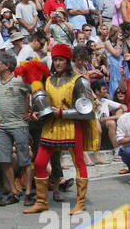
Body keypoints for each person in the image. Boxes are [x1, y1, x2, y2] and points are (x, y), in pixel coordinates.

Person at [23, 44, 99, 216]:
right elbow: (44, 105)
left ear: (67, 61)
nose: (57, 63)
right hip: (50, 126)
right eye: (55, 60)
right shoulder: (47, 80)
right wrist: (38, 113)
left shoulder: (79, 81)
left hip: (72, 126)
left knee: (79, 162)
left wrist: (62, 112)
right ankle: (41, 201)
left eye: (61, 60)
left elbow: (86, 110)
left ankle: (80, 202)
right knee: (40, 162)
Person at [0, 49, 34, 204]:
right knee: (4, 159)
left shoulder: (20, 80)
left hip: (19, 124)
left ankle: (28, 192)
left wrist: (30, 111)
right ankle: (13, 191)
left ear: (7, 66)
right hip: (3, 126)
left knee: (24, 159)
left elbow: (33, 92)